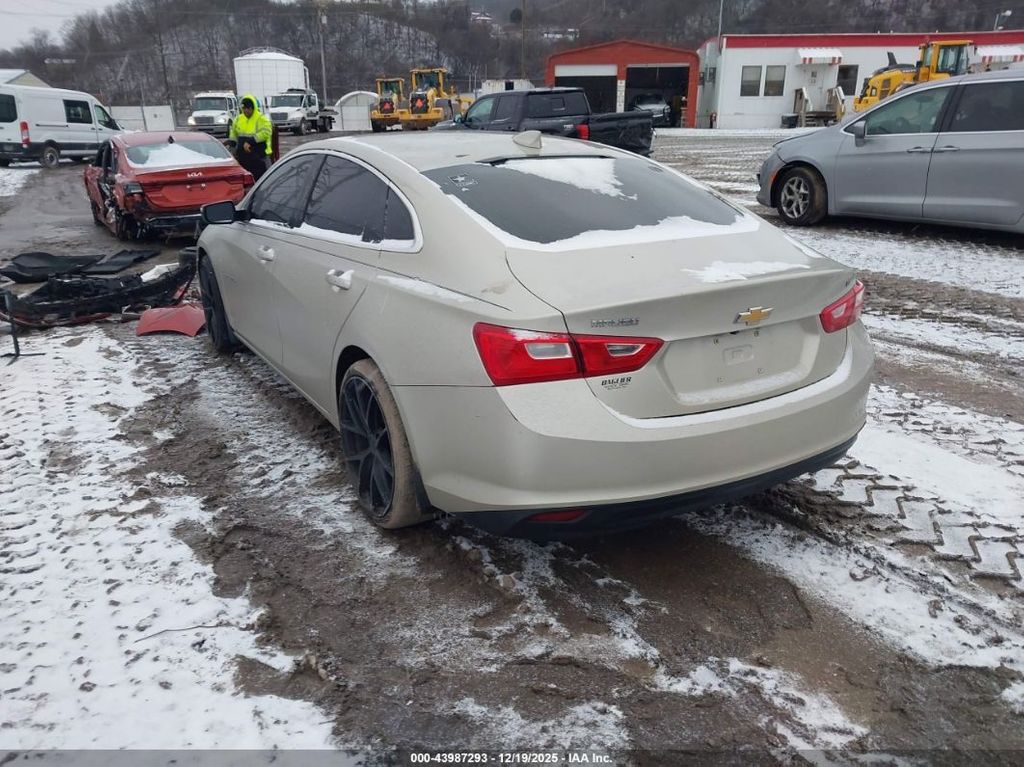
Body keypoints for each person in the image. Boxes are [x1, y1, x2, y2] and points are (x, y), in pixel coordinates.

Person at [228, 94, 273, 180]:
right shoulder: (238, 119)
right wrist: (232, 147)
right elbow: (233, 134)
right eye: (244, 108)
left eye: (248, 108)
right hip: (243, 157)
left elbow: (266, 132)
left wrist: (250, 141)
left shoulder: (261, 118)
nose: (246, 111)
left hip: (260, 155)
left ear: (253, 108)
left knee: (264, 179)